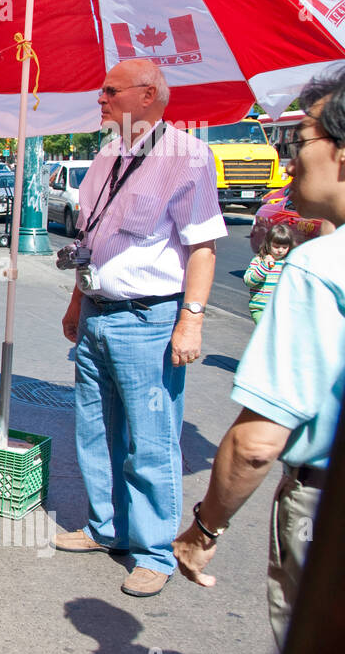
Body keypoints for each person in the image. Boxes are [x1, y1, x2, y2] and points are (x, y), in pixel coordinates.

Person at [173, 65, 345, 654]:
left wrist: (203, 528)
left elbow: (256, 444)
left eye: (297, 141)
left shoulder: (320, 269)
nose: (287, 160)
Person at [55, 60, 226, 598]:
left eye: (110, 90)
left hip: (149, 319)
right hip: (98, 313)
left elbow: (203, 247)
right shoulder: (107, 153)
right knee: (94, 431)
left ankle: (155, 551)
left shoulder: (188, 155)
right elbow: (94, 239)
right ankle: (108, 528)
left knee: (151, 441)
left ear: (148, 95)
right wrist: (77, 301)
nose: (99, 97)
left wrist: (190, 322)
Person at [243, 223, 295, 323]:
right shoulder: (259, 261)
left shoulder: (288, 264)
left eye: (284, 247)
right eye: (276, 246)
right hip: (260, 309)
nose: (280, 250)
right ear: (268, 244)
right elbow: (248, 281)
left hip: (280, 310)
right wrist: (264, 267)